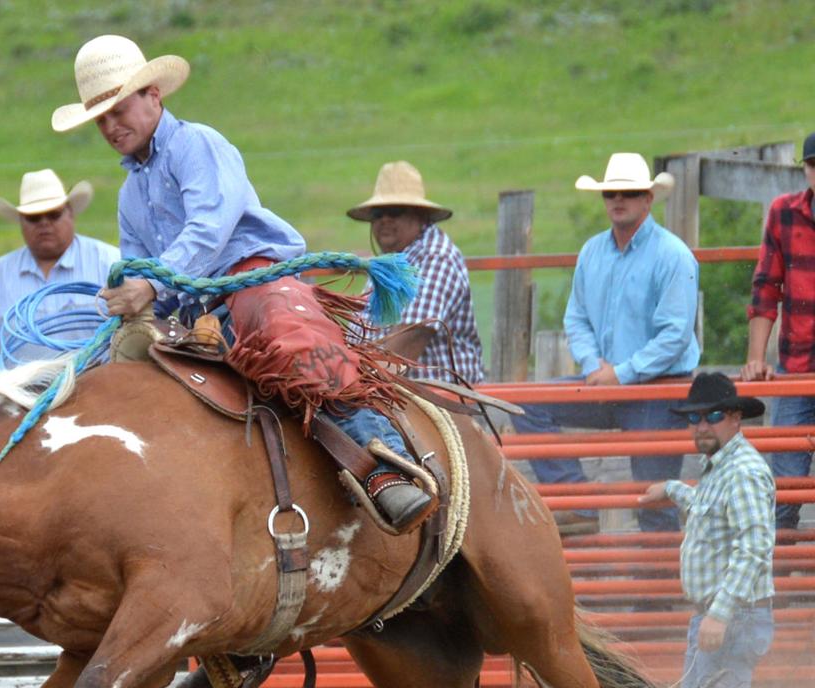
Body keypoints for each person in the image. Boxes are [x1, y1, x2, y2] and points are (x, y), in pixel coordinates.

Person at [51, 35, 428, 533]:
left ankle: (386, 464)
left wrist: (151, 286)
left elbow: (209, 228)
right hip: (193, 314)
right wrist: (129, 299)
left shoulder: (196, 145)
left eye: (118, 110)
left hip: (250, 276)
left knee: (291, 338)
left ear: (153, 96)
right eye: (100, 119)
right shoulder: (129, 196)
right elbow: (138, 269)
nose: (110, 127)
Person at [510, 152, 700, 535]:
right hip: (607, 381)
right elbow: (576, 318)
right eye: (610, 193)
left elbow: (676, 336)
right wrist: (594, 365)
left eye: (628, 193)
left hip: (659, 390)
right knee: (524, 403)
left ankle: (655, 579)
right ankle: (578, 502)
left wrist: (620, 373)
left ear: (647, 199)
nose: (618, 199)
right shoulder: (592, 251)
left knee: (654, 502)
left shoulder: (672, 255)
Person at [639, 374, 774, 688]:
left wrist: (719, 613)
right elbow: (714, 511)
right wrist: (675, 488)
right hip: (722, 618)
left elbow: (754, 546)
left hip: (728, 621)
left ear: (735, 417)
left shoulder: (742, 471)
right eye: (695, 417)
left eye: (712, 415)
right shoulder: (723, 468)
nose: (701, 425)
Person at [0, 169, 121, 383]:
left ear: (70, 214)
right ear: (21, 222)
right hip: (21, 395)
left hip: (96, 390)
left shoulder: (108, 262)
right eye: (34, 218)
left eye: (54, 214)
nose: (44, 224)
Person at [346, 161, 485, 385]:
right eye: (378, 214)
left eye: (395, 211)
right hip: (391, 392)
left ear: (420, 216)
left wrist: (351, 386)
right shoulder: (391, 263)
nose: (385, 220)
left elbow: (405, 346)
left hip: (437, 397)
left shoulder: (436, 258)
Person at [742, 131, 815, 534]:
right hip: (798, 367)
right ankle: (782, 567)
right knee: (784, 488)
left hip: (797, 366)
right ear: (806, 170)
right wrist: (756, 359)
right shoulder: (784, 213)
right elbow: (766, 286)